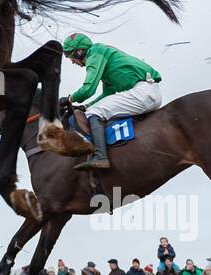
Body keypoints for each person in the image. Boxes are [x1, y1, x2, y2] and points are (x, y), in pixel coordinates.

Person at [60, 32, 162, 171]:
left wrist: (69, 99)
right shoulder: (102, 55)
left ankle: (100, 157)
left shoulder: (95, 54)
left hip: (143, 92)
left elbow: (88, 89)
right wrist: (86, 106)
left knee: (93, 113)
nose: (72, 61)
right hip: (147, 92)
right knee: (92, 110)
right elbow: (108, 94)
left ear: (79, 52)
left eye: (71, 56)